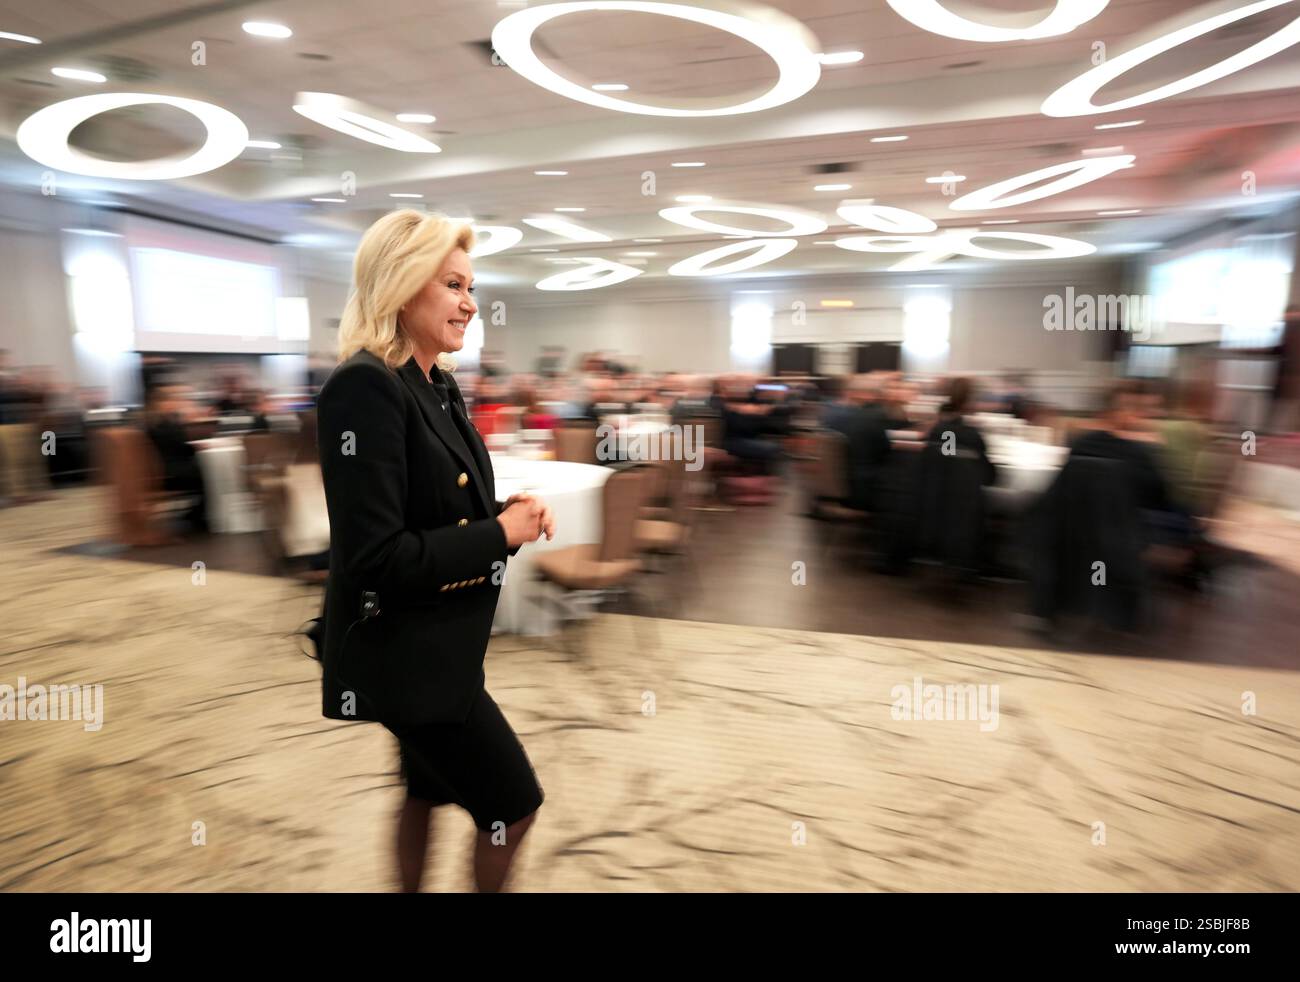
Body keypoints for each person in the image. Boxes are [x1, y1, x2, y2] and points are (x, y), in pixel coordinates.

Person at [316, 210, 554, 893]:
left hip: (437, 644)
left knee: (425, 790)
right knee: (514, 804)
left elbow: (440, 505)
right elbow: (376, 558)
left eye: (469, 286)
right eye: (453, 284)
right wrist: (498, 537)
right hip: (404, 656)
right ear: (402, 283)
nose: (471, 303)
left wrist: (504, 515)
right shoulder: (364, 387)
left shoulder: (434, 382)